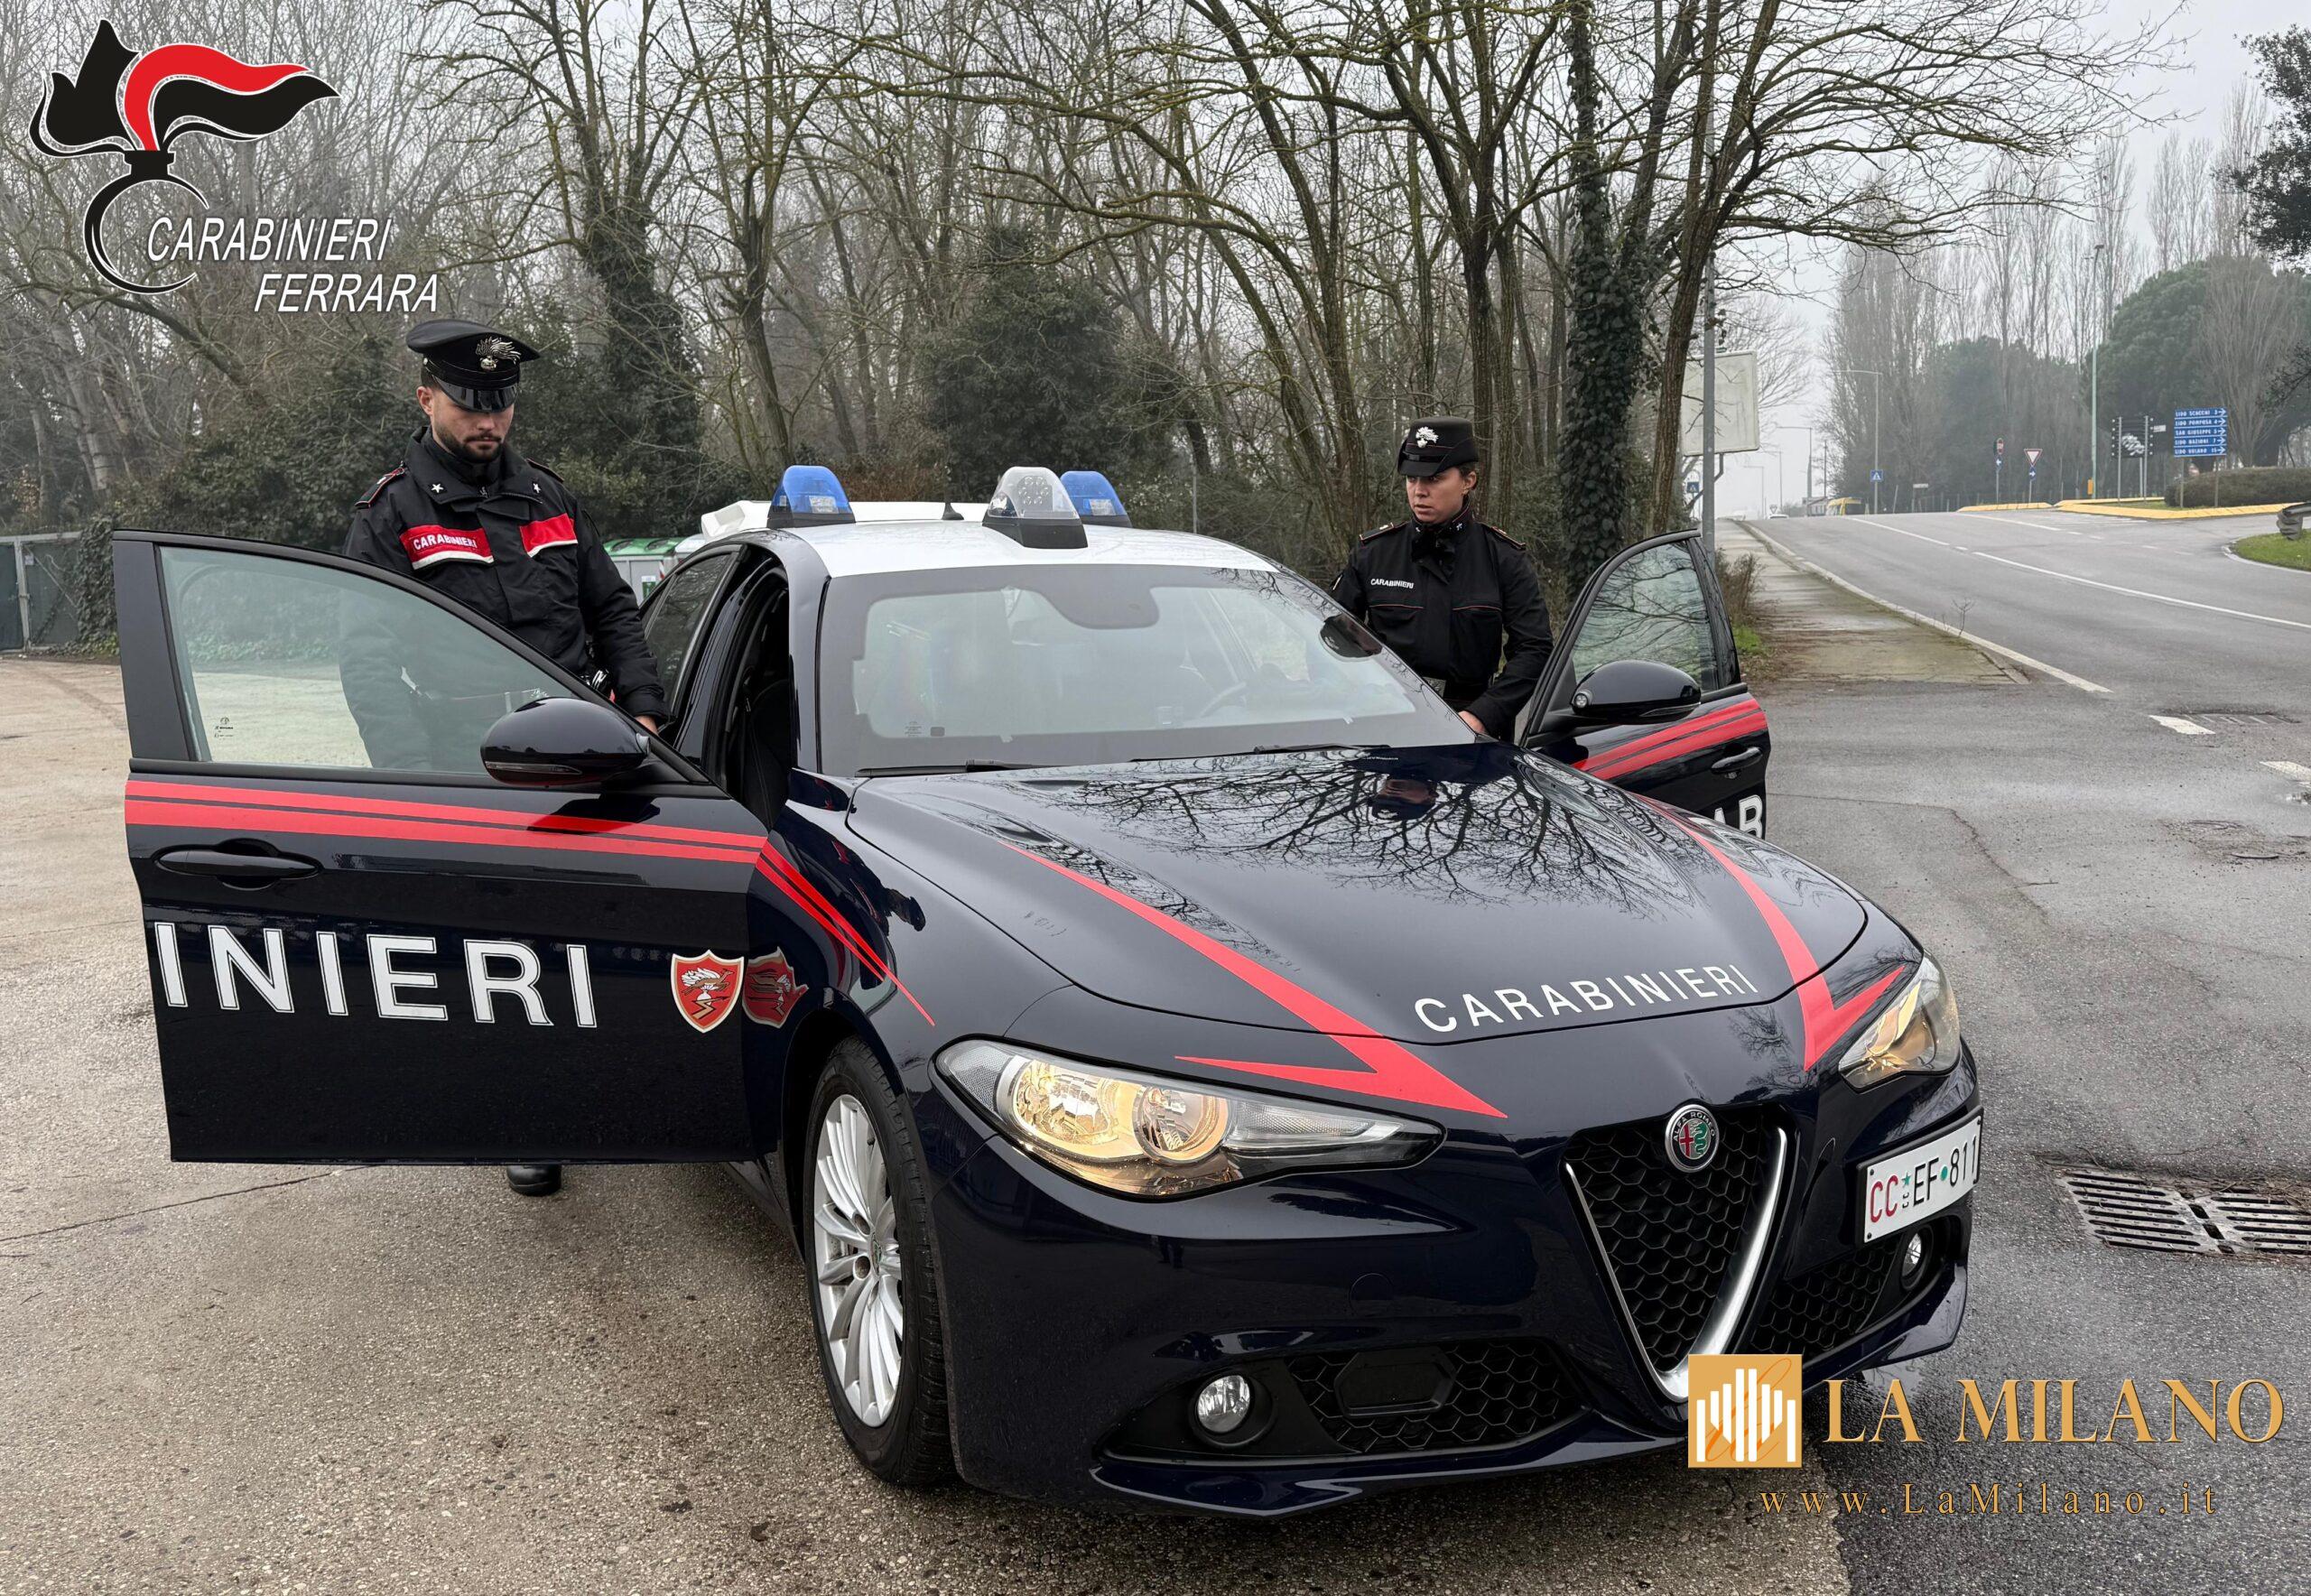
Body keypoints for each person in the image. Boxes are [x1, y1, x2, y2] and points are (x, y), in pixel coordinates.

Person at [341, 319, 670, 1200]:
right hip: (466, 757)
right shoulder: (393, 513)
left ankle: (611, 1087)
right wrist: (414, 781)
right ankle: (531, 1117)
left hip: (575, 744)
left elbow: (614, 610)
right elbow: (366, 659)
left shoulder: (552, 498)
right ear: (427, 400)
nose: (489, 421)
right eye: (470, 404)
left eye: (502, 404)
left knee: (593, 930)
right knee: (506, 952)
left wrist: (641, 706)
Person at [1330, 416, 1553, 738]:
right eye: (1411, 479)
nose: (1419, 491)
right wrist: (1363, 701)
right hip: (1385, 725)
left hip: (1473, 731)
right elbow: (1332, 638)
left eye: (1434, 479)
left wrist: (1483, 715)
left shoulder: (1503, 558)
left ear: (1468, 481)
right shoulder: (1374, 554)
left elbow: (1535, 648)